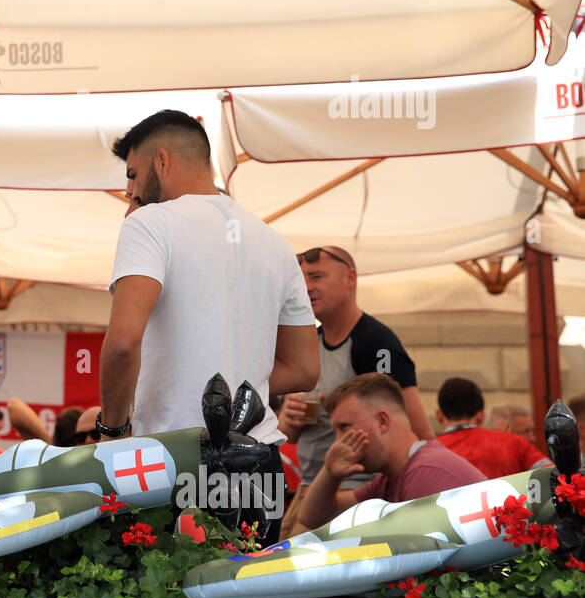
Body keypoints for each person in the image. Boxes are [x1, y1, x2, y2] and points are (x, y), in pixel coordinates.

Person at [98, 109, 319, 543]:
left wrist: (111, 431)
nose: (131, 191)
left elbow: (123, 343)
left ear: (162, 162)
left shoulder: (151, 224)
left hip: (169, 455)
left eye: (133, 174)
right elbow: (307, 368)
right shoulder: (274, 242)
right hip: (260, 458)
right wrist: (234, 372)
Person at [275, 245, 431, 538]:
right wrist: (288, 418)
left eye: (317, 277)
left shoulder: (376, 342)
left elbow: (418, 431)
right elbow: (289, 435)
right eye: (302, 279)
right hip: (312, 488)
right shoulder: (308, 344)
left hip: (357, 495)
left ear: (350, 279)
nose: (307, 288)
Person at [298, 374, 485, 529]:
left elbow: (416, 562)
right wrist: (330, 472)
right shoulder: (390, 480)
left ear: (382, 422)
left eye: (344, 427)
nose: (338, 441)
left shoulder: (425, 472)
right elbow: (312, 518)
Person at [433, 377, 550, 479]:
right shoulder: (514, 443)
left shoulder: (429, 452)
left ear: (439, 416)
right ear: (481, 416)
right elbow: (552, 474)